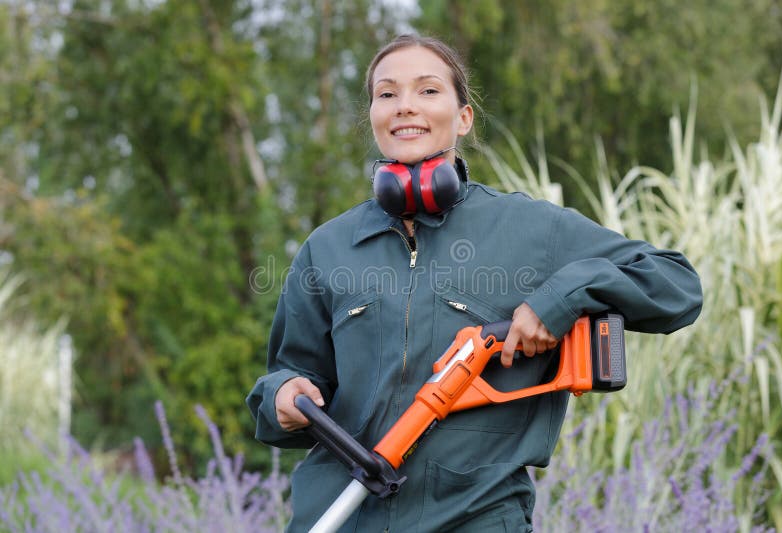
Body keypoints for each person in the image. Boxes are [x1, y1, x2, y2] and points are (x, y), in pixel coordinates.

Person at [246, 34, 702, 532]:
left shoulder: (530, 229)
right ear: (372, 117)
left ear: (463, 117)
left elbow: (675, 284)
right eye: (387, 94)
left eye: (427, 91)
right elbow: (290, 375)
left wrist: (559, 300)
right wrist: (282, 395)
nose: (404, 107)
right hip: (340, 516)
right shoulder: (328, 247)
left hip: (475, 519)